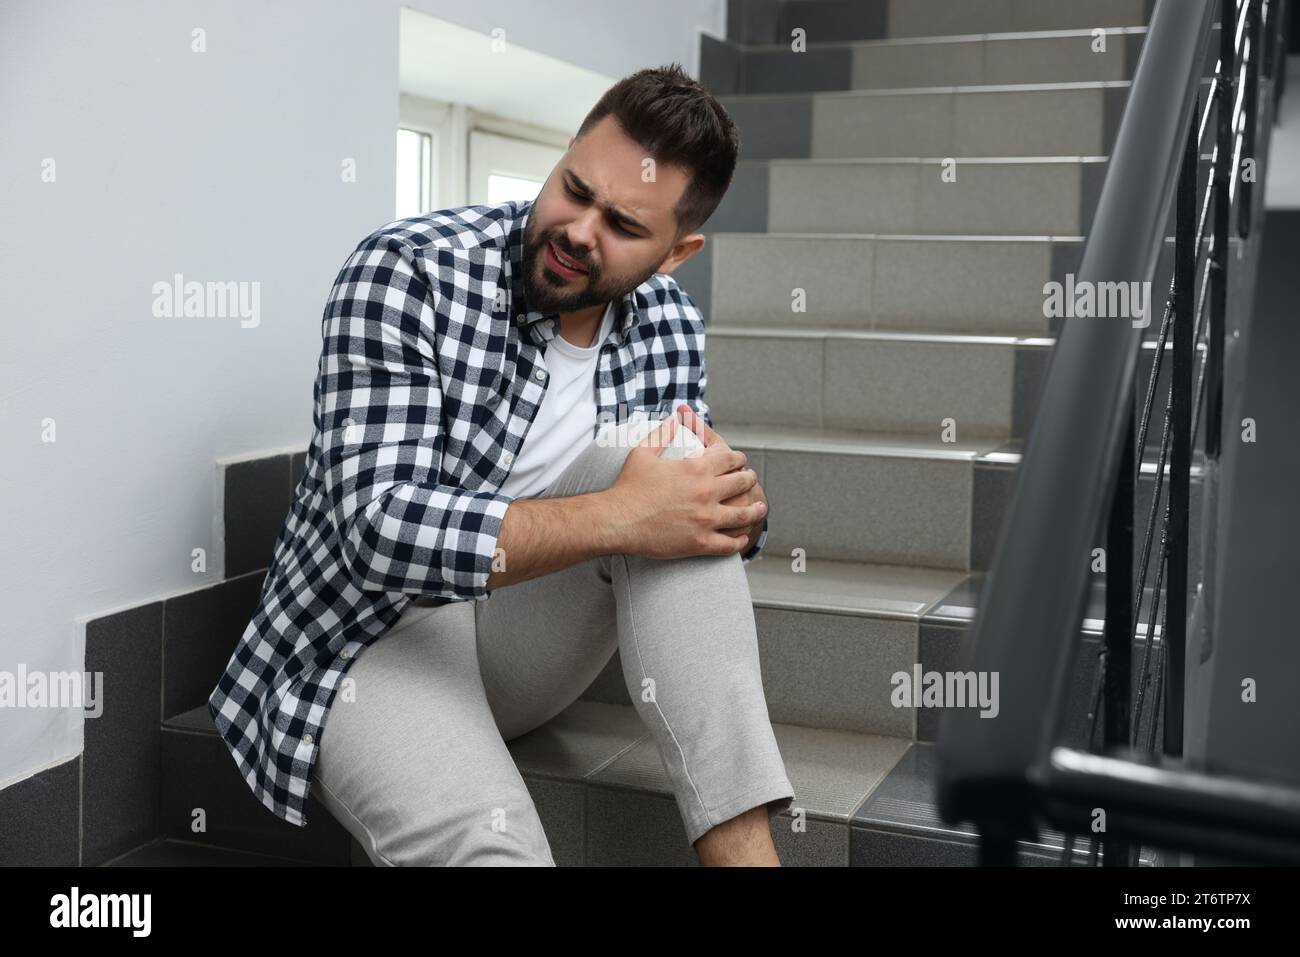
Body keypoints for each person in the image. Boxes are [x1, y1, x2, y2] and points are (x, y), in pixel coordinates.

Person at [208, 64, 794, 866]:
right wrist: (627, 514)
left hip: (521, 647)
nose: (580, 230)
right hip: (368, 638)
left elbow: (676, 507)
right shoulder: (407, 271)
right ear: (561, 157)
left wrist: (731, 509)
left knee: (679, 456)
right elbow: (380, 533)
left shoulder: (670, 324)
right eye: (575, 189)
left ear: (676, 252)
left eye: (623, 223)